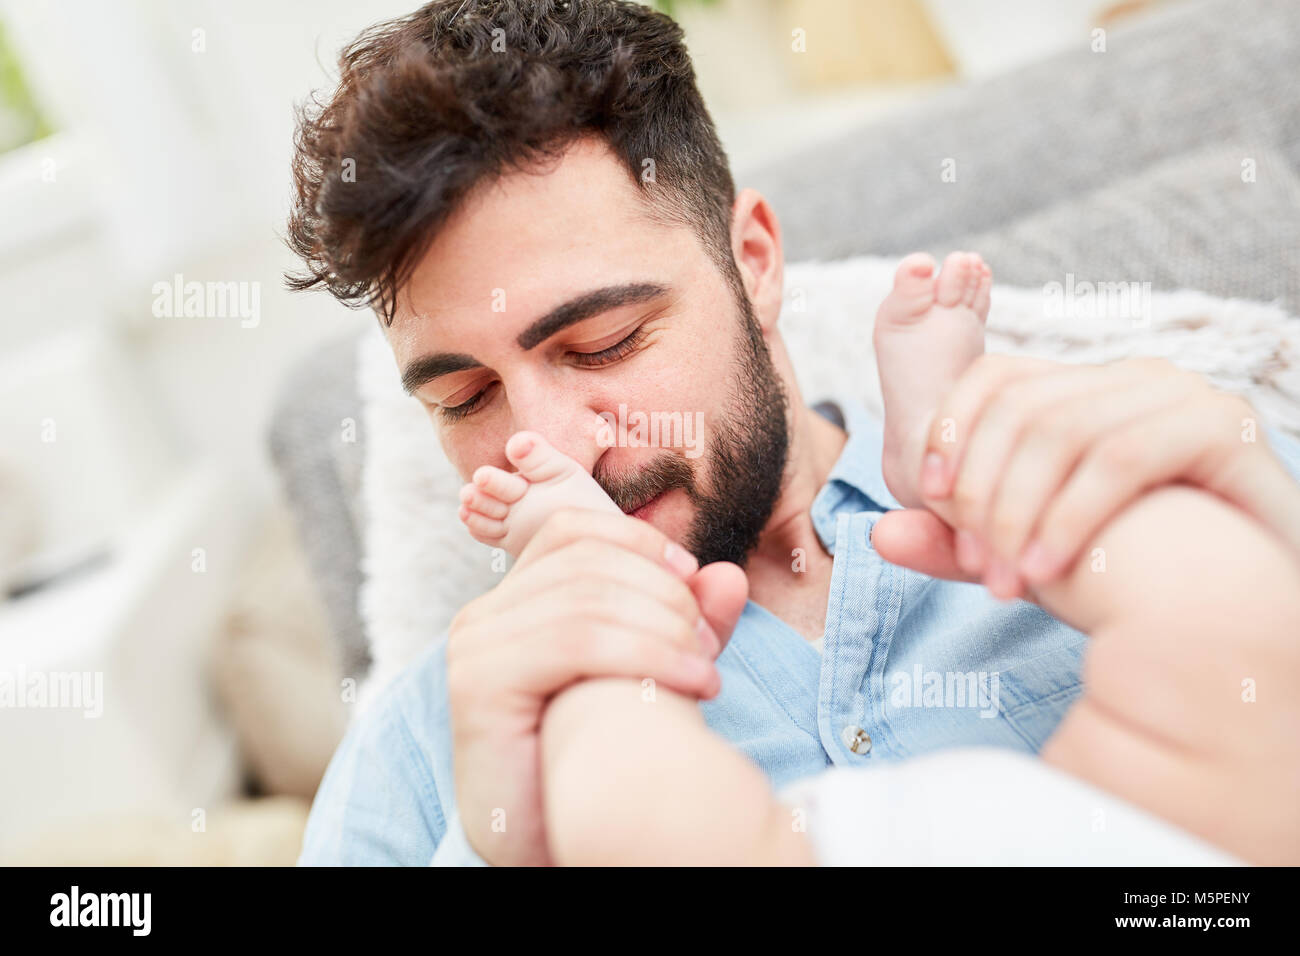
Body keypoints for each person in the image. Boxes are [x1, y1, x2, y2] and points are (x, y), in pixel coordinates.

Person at [287, 0, 1300, 866]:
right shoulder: (434, 740)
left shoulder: (1085, 486)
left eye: (602, 342)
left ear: (756, 261)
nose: (555, 445)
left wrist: (1269, 506)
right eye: (464, 398)